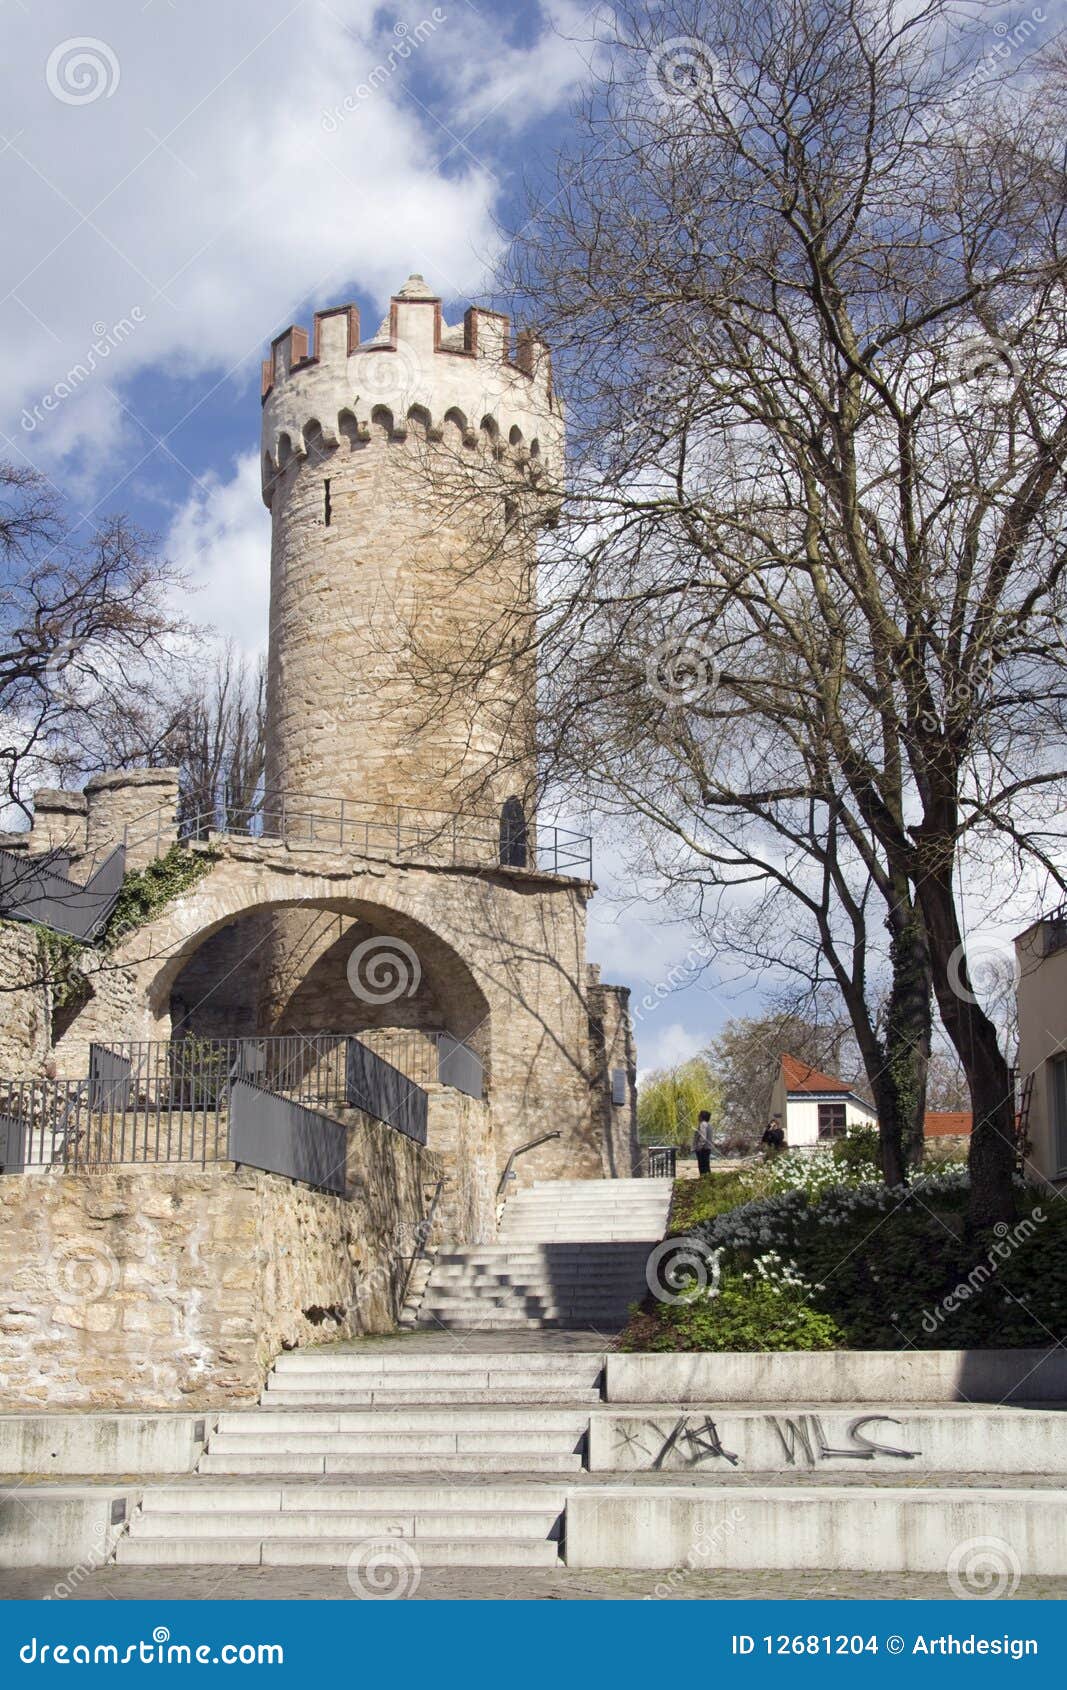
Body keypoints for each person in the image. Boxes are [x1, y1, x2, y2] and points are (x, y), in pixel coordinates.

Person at [693, 1110, 715, 1176]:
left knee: (702, 1167)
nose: (698, 1116)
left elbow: (703, 1137)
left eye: (699, 1115)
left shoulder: (702, 1124)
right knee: (706, 1166)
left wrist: (699, 1147)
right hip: (707, 1148)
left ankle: (704, 1180)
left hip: (703, 1149)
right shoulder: (709, 1125)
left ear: (702, 1117)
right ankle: (708, 1181)